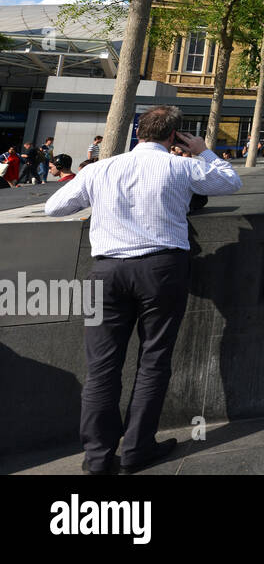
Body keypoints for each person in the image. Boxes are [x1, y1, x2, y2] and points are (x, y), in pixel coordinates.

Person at [44, 105, 242, 475]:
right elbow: (230, 182)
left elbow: (54, 207)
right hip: (162, 270)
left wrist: (102, 202)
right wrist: (202, 150)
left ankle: (97, 458)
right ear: (174, 136)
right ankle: (137, 448)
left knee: (101, 368)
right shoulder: (181, 166)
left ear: (138, 134)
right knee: (153, 360)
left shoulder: (101, 168)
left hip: (106, 271)